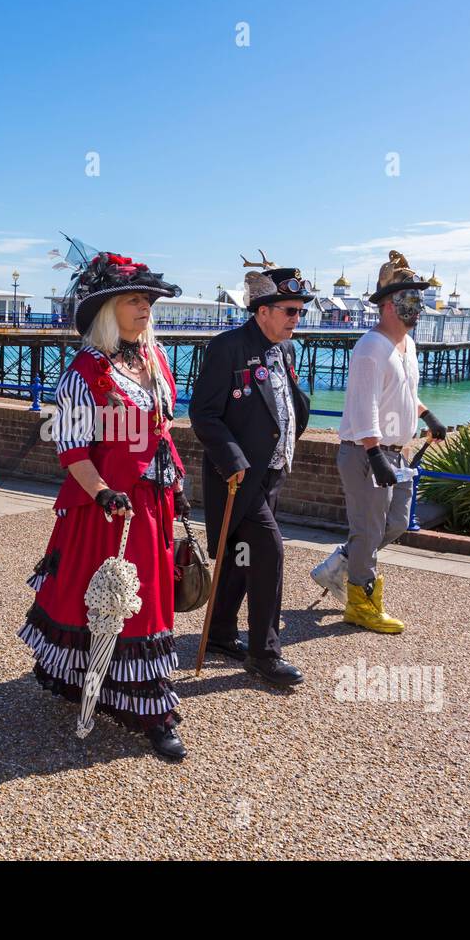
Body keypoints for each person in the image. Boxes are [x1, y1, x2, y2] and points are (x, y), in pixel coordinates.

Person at [17, 250, 191, 760]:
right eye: (135, 301)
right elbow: (71, 448)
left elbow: (161, 428)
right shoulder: (84, 373)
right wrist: (104, 493)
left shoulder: (153, 359)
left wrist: (175, 482)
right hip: (107, 509)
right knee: (113, 601)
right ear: (107, 310)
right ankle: (148, 708)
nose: (146, 310)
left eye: (148, 302)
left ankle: (145, 700)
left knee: (149, 600)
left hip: (151, 502)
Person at [310, 251, 447, 633]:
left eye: (419, 301)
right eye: (408, 301)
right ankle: (362, 602)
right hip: (366, 453)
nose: (416, 308)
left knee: (398, 523)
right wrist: (373, 453)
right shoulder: (371, 347)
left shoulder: (409, 346)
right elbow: (366, 404)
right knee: (368, 530)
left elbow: (401, 394)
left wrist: (426, 415)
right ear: (387, 306)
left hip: (397, 453)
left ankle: (340, 565)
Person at [190, 256, 311, 687]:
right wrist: (234, 460)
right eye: (291, 311)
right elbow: (203, 413)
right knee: (269, 552)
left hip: (274, 470)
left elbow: (289, 398)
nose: (298, 318)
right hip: (238, 475)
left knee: (241, 558)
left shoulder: (288, 348)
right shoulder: (227, 348)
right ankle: (264, 654)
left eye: (301, 311)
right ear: (263, 312)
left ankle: (221, 633)